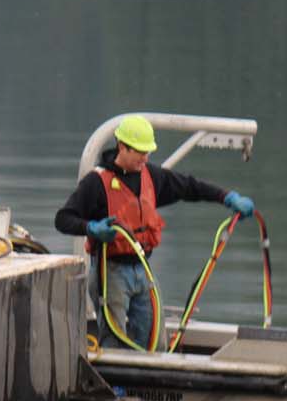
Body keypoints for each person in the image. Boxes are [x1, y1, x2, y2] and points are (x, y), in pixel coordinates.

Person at [54, 114, 255, 350]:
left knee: (154, 341)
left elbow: (190, 187)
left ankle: (146, 385)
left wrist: (226, 197)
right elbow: (63, 219)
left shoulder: (152, 176)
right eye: (140, 151)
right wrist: (91, 228)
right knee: (114, 341)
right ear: (122, 147)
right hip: (110, 273)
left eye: (148, 152)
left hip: (142, 270)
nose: (146, 157)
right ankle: (114, 387)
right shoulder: (96, 182)